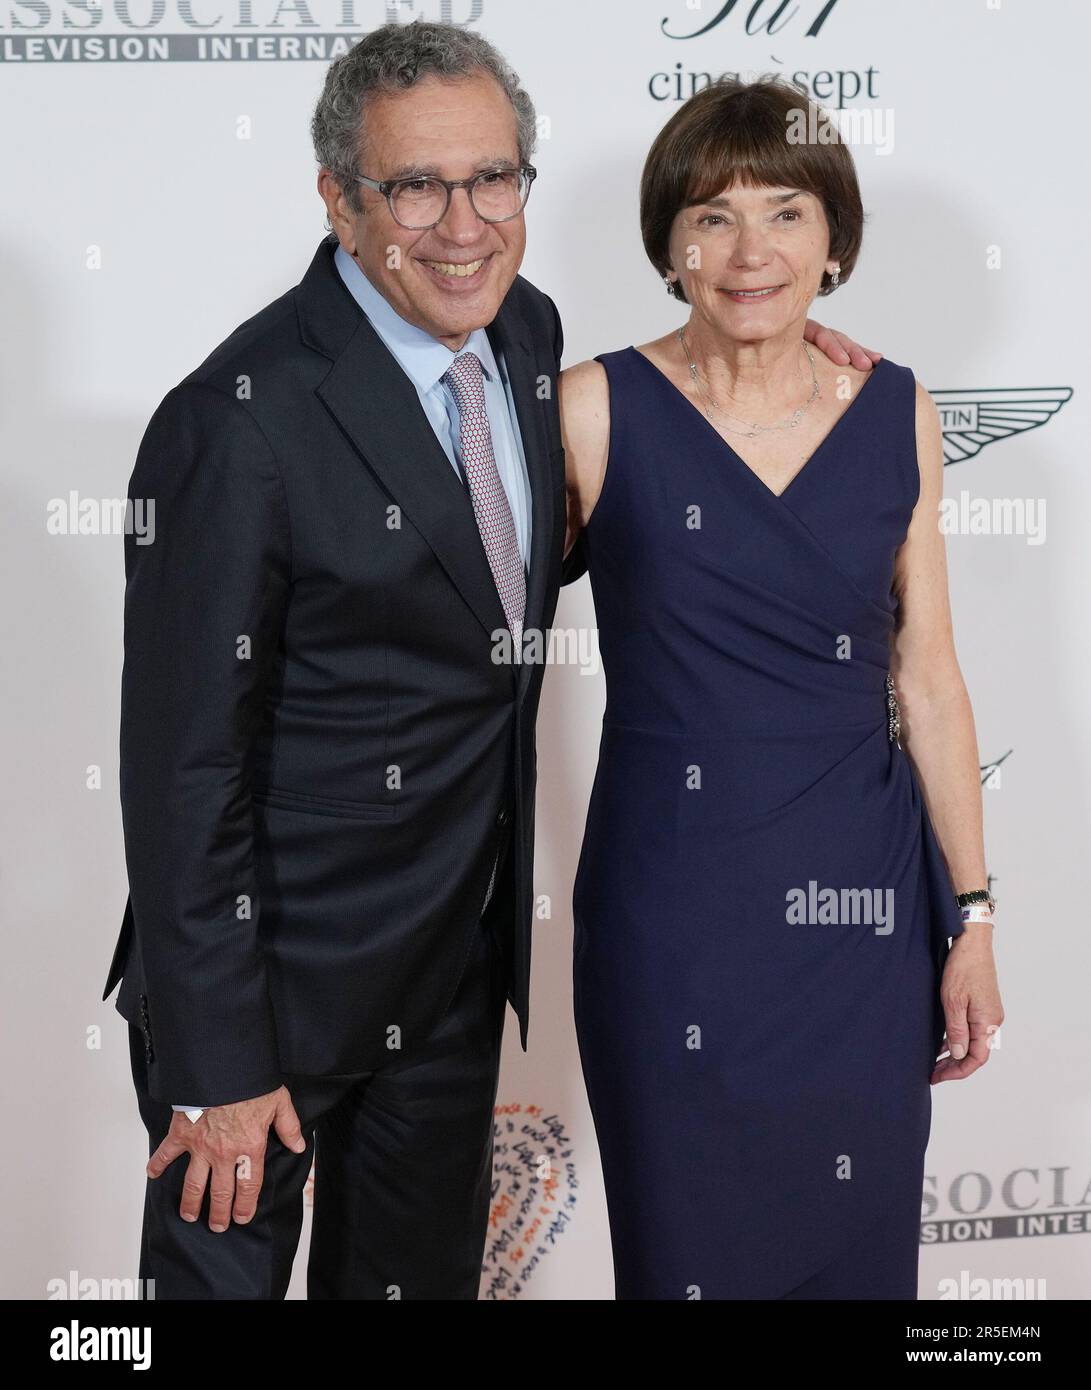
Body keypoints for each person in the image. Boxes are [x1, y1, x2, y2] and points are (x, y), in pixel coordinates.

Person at [103, 22, 877, 1300]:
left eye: (493, 179)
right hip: (270, 988)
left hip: (453, 971)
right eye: (415, 186)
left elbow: (508, 564)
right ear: (341, 201)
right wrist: (216, 1059)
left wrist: (766, 375)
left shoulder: (523, 335)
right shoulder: (235, 424)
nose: (462, 224)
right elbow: (180, 767)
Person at [559, 76, 1004, 1300]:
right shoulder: (591, 410)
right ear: (667, 245)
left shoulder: (895, 405)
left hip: (862, 918)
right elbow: (451, 600)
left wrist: (970, 916)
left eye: (786, 212)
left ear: (835, 240)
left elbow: (929, 675)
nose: (749, 251)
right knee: (684, 1253)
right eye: (710, 217)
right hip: (673, 920)